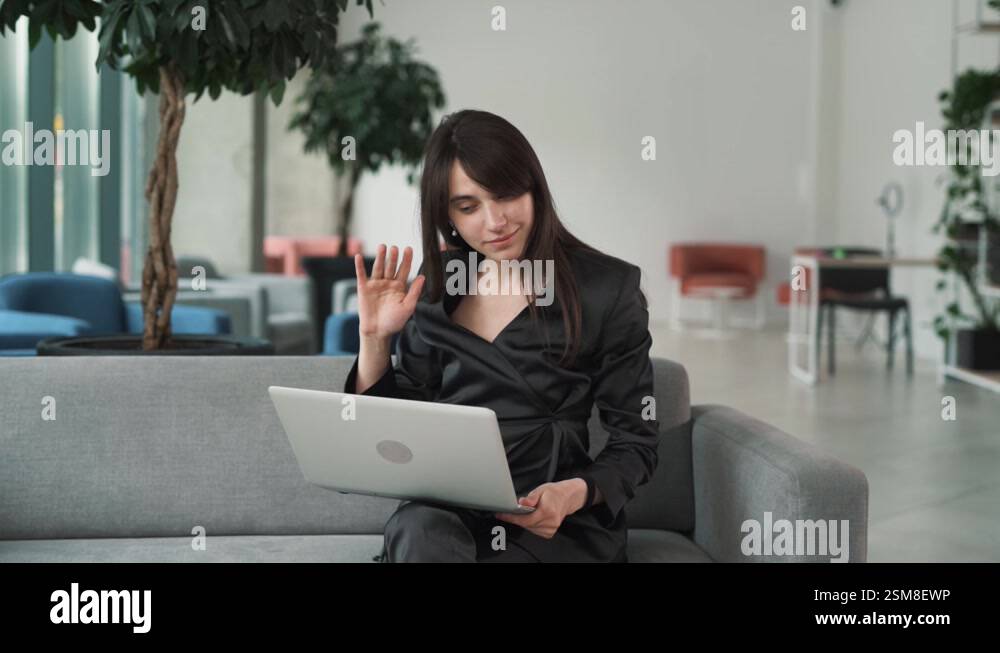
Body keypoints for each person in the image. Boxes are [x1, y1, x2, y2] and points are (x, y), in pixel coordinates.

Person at [343, 109, 660, 562]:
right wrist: (375, 338)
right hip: (449, 514)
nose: (495, 222)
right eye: (468, 206)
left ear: (534, 187)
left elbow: (637, 443)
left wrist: (571, 494)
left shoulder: (606, 288)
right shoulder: (438, 285)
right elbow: (396, 426)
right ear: (447, 215)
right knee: (419, 530)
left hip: (553, 520)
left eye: (506, 194)